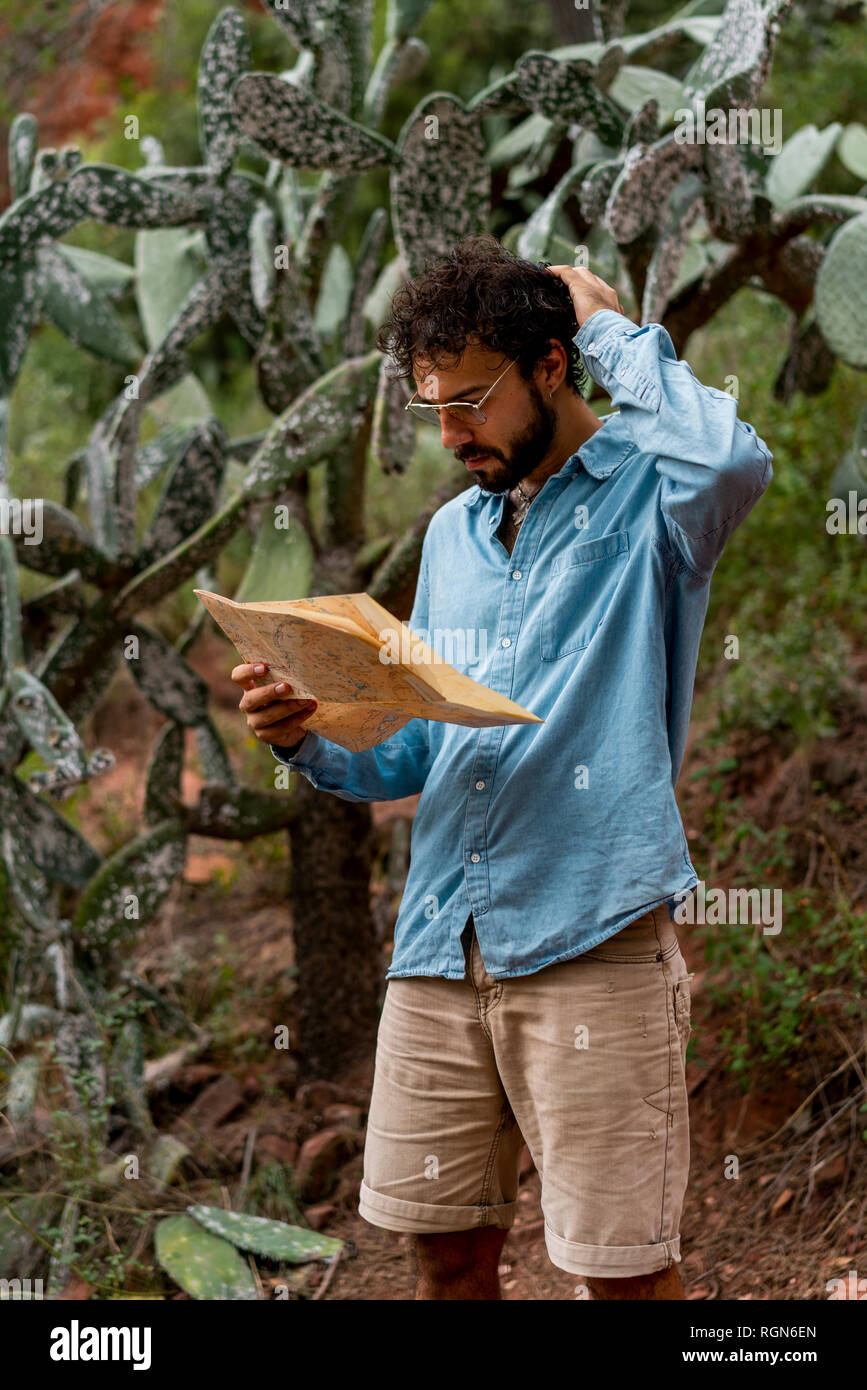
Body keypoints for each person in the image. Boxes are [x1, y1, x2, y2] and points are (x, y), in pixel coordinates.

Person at [233, 234, 773, 1300]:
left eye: (471, 401)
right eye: (432, 408)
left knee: (620, 1276)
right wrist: (304, 732)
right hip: (440, 942)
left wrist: (602, 317)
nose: (451, 434)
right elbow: (426, 746)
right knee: (445, 1255)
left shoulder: (654, 495)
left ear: (552, 367)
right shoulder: (451, 540)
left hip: (590, 931)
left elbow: (732, 458)